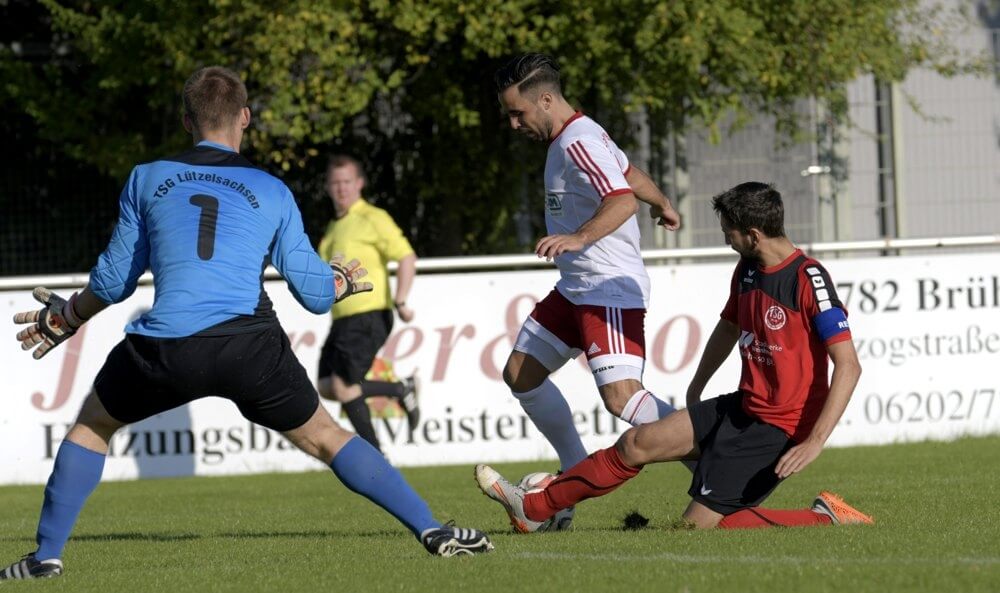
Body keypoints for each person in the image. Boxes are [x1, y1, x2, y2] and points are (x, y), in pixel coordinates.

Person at [1, 67, 491, 581]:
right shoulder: (271, 190)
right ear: (245, 118)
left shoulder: (147, 177)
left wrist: (69, 316)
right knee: (326, 435)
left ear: (186, 120)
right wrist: (341, 284)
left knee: (94, 426)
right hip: (249, 346)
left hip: (167, 347)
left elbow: (113, 281)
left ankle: (46, 557)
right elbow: (316, 296)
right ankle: (431, 529)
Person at [475, 182, 873, 531]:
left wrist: (814, 441)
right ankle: (533, 508)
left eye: (729, 233)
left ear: (753, 235)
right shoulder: (748, 269)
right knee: (636, 443)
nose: (726, 240)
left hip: (777, 430)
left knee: (695, 528)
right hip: (742, 408)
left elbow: (848, 365)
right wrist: (697, 385)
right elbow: (728, 327)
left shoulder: (808, 280)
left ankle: (825, 517)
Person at [492, 53, 683, 482]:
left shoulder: (578, 142)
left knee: (622, 399)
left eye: (518, 113)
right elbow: (629, 174)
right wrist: (663, 202)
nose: (514, 125)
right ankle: (575, 469)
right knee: (521, 373)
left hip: (606, 287)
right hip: (576, 287)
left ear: (545, 100)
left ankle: (712, 450)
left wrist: (579, 237)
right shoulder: (579, 135)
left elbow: (621, 199)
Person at [315, 155, 420, 453]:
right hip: (342, 320)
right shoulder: (334, 227)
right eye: (336, 183)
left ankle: (376, 458)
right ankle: (399, 389)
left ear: (359, 183)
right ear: (328, 187)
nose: (341, 188)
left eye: (347, 181)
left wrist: (401, 299)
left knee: (343, 386)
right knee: (326, 385)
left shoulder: (373, 217)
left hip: (369, 315)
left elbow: (406, 257)